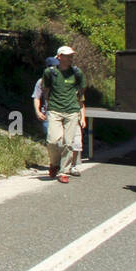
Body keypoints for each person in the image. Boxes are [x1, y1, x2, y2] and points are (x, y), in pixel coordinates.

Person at [37, 45, 85, 184]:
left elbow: (81, 91)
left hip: (71, 111)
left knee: (68, 143)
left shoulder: (77, 72)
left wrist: (80, 109)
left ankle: (64, 171)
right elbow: (45, 89)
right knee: (52, 140)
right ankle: (54, 163)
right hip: (55, 110)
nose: (70, 58)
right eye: (67, 55)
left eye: (71, 56)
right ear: (59, 57)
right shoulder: (50, 72)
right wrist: (48, 103)